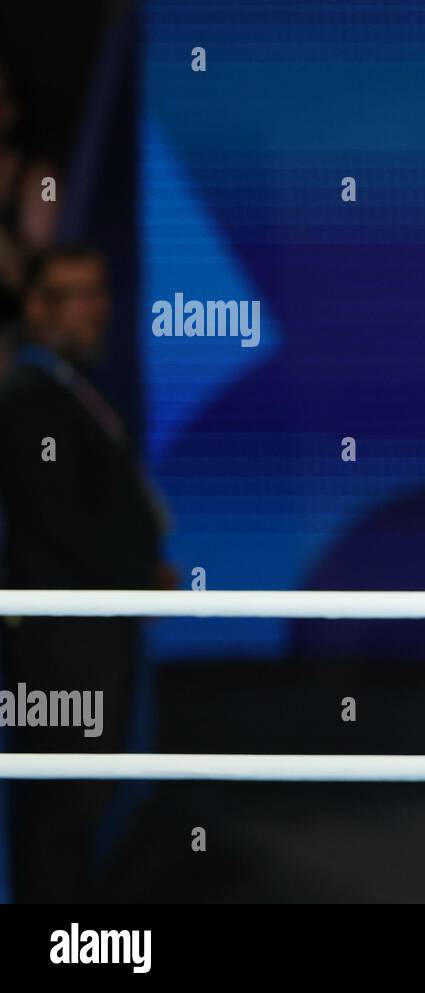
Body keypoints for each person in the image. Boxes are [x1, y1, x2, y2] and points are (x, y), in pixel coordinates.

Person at [0, 244, 173, 901]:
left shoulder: (73, 391)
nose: (95, 309)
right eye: (77, 294)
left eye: (100, 292)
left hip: (92, 639)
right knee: (60, 809)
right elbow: (58, 521)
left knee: (84, 808)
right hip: (60, 649)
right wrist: (137, 573)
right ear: (39, 309)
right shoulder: (28, 398)